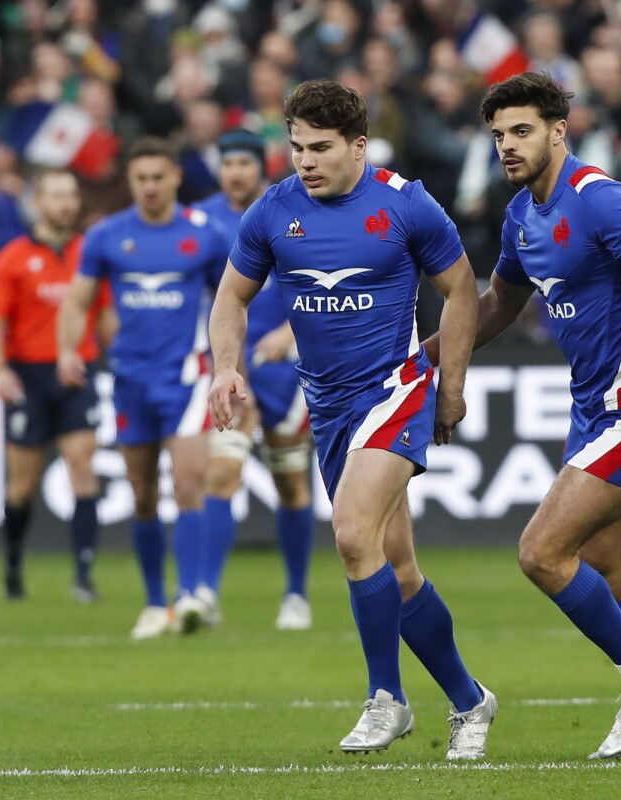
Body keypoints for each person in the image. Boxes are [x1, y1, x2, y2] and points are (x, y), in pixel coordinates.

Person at [208, 79, 497, 760]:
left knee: (349, 533)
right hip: (329, 405)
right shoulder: (273, 211)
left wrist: (451, 385)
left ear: (359, 146)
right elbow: (231, 298)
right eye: (297, 147)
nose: (305, 161)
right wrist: (225, 366)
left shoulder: (406, 205)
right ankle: (469, 700)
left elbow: (462, 290)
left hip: (395, 393)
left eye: (321, 148)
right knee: (397, 568)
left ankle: (385, 698)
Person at [425, 72, 621, 758]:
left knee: (541, 553)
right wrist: (419, 361)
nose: (507, 146)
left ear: (558, 131)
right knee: (608, 569)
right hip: (593, 412)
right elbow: (499, 305)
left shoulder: (600, 199)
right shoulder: (522, 215)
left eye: (521, 131)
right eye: (498, 135)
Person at [57, 136, 228, 639]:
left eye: (158, 177)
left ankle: (190, 595)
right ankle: (155, 603)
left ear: (176, 177)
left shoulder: (206, 234)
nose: (150, 186)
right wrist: (67, 350)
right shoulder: (107, 236)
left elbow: (231, 301)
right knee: (144, 494)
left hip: (186, 378)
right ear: (129, 182)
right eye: (140, 178)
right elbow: (77, 301)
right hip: (130, 379)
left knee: (189, 484)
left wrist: (230, 367)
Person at [193, 129, 315, 631]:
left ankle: (295, 595)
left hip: (285, 369)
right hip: (232, 367)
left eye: (245, 163)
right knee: (222, 472)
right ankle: (205, 593)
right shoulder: (200, 222)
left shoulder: (290, 211)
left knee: (291, 482)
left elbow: (316, 281)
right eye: (228, 164)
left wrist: (289, 331)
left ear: (260, 167)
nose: (236, 173)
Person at [0, 167, 115, 602]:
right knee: (21, 485)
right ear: (38, 203)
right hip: (30, 377)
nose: (66, 204)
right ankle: (13, 566)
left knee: (83, 470)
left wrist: (119, 358)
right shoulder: (13, 257)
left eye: (71, 194)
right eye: (56, 195)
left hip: (77, 373)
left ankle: (84, 575)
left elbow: (106, 315)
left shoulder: (90, 252)